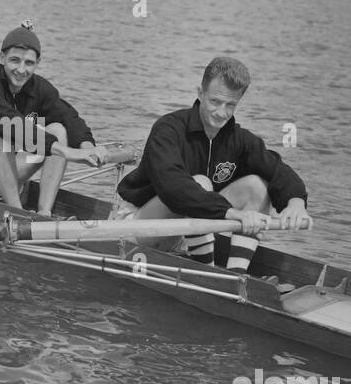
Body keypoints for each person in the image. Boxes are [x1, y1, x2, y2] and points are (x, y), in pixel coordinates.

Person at [114, 56, 312, 272]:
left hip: (190, 231)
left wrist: (295, 204)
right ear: (200, 93)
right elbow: (174, 188)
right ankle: (207, 273)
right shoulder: (168, 129)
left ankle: (236, 275)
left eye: (230, 105)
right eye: (215, 101)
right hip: (136, 228)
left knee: (257, 186)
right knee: (201, 183)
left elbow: (278, 171)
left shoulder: (240, 140)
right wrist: (232, 213)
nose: (221, 112)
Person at [0, 21, 109, 217]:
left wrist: (88, 149)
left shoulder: (40, 88)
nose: (21, 70)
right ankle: (17, 215)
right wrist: (66, 152)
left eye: (29, 63)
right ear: (2, 57)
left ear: (38, 62)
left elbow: (68, 117)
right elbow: (12, 124)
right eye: (14, 60)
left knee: (58, 130)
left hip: (2, 176)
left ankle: (44, 212)